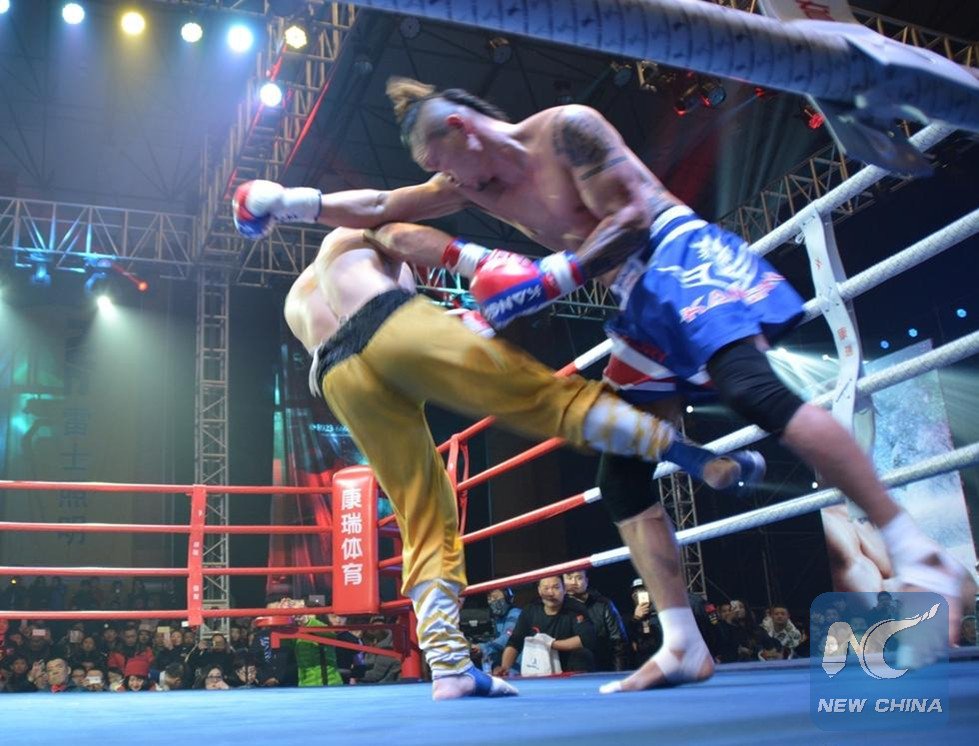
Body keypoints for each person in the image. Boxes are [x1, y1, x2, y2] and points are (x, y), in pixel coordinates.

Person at [236, 77, 975, 688]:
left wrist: (554, 275)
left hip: (675, 256)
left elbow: (627, 215)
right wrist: (293, 202)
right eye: (449, 180)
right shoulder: (465, 179)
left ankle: (914, 548)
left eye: (456, 168)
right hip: (632, 300)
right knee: (621, 480)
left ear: (468, 125)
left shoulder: (567, 130)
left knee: (755, 392)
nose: (458, 187)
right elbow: (380, 209)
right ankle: (683, 642)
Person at [280, 225, 760, 700]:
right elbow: (408, 224)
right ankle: (689, 455)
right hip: (384, 322)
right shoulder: (368, 235)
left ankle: (449, 668)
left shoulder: (310, 285)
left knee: (423, 510)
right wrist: (489, 265)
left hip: (334, 375)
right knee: (537, 395)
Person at [495, 576, 597, 675]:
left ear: (564, 589)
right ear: (539, 591)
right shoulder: (530, 610)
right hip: (538, 665)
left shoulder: (576, 608)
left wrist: (550, 643)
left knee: (583, 655)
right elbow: (515, 642)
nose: (550, 593)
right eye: (546, 588)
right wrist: (504, 668)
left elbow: (586, 638)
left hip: (569, 665)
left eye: (556, 587)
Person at [563, 570, 630, 671]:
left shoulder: (603, 604)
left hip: (602, 668)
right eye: (569, 578)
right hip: (567, 673)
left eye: (579, 578)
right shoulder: (557, 607)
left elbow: (619, 643)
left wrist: (618, 674)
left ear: (586, 581)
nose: (573, 582)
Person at [476, 588, 522, 674]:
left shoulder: (515, 613)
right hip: (503, 669)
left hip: (518, 669)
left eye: (496, 597)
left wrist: (482, 647)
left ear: (507, 598)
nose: (492, 601)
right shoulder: (496, 619)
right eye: (489, 599)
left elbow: (507, 637)